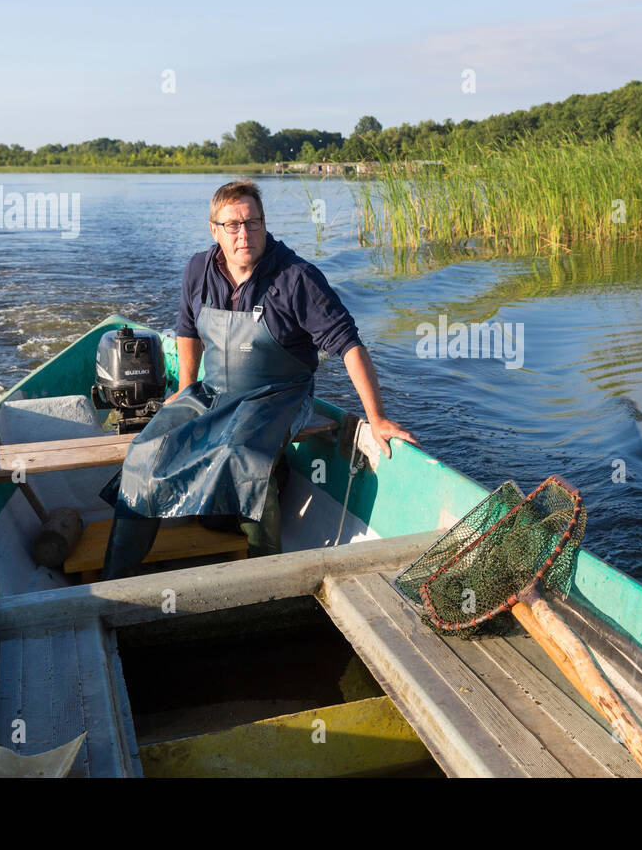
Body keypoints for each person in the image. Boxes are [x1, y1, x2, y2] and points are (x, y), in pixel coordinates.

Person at [101, 180, 417, 579]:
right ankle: (114, 584)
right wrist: (184, 387)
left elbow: (349, 345)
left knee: (244, 455)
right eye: (232, 225)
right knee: (145, 453)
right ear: (214, 230)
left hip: (280, 395)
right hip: (212, 392)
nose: (244, 234)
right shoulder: (197, 269)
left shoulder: (298, 277)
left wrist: (378, 416)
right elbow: (186, 330)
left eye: (252, 223)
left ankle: (264, 577)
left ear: (265, 224)